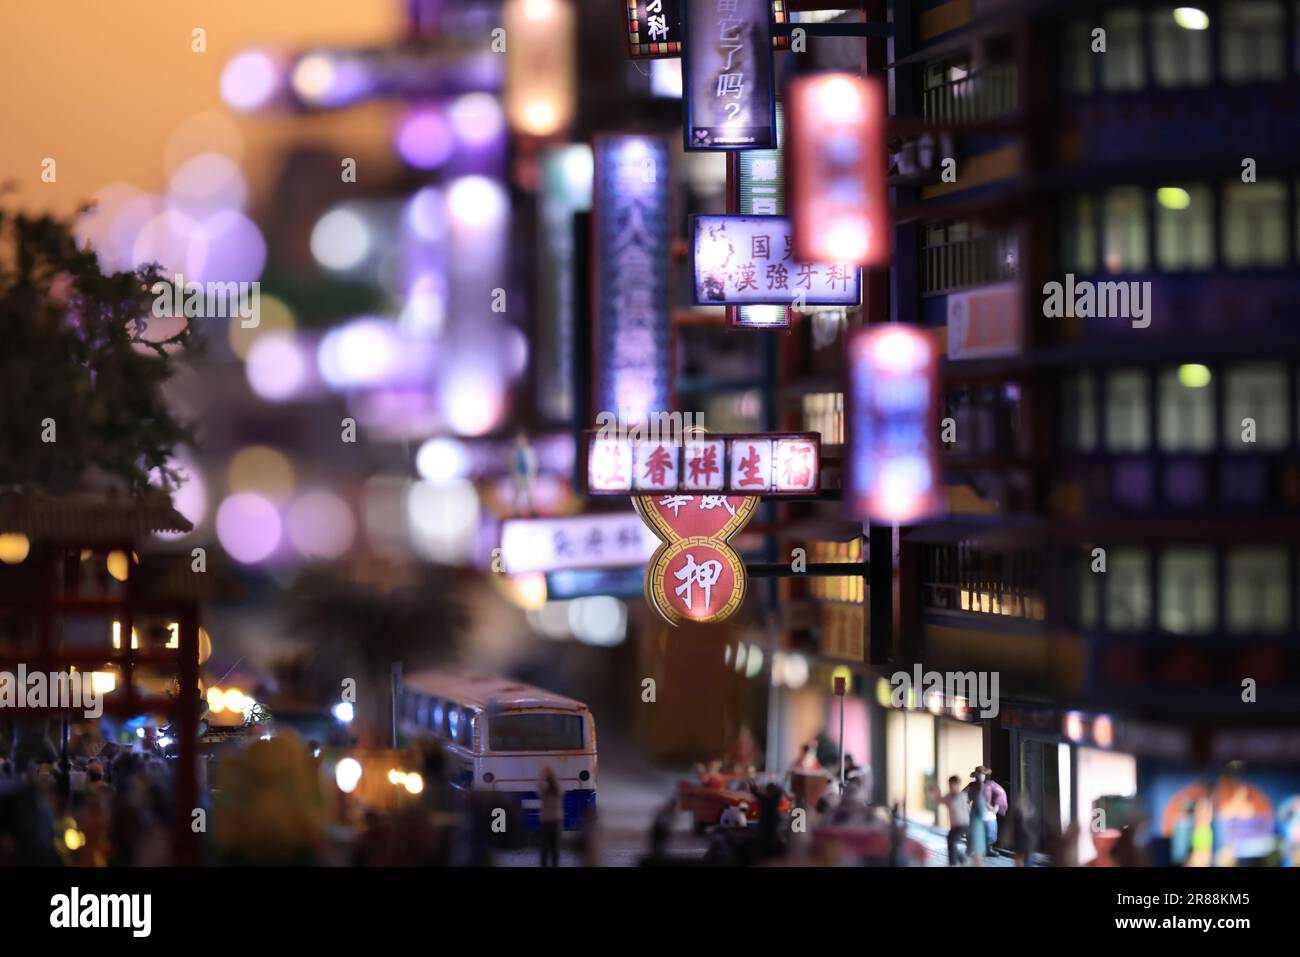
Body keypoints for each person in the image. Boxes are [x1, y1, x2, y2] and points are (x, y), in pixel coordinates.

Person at [928, 775, 971, 866]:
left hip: (963, 825)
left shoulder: (962, 796)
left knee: (951, 841)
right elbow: (938, 801)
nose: (951, 786)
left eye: (953, 785)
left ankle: (953, 863)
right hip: (955, 825)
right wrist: (935, 793)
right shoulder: (949, 796)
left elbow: (968, 809)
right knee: (950, 842)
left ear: (958, 785)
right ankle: (962, 859)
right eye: (950, 785)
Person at [964, 766, 1008, 855]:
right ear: (975, 775)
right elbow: (963, 796)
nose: (981, 776)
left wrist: (997, 806)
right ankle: (971, 848)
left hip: (988, 812)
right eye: (979, 774)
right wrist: (966, 806)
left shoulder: (990, 784)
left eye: (983, 774)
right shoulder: (971, 786)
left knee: (990, 831)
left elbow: (1001, 793)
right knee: (973, 831)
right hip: (975, 812)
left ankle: (989, 848)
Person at [538, 766, 562, 867]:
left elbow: (539, 785)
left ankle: (548, 864)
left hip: (547, 822)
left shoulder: (552, 793)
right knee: (552, 847)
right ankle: (553, 864)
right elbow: (539, 785)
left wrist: (548, 774)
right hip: (553, 822)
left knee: (547, 847)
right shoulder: (555, 793)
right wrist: (545, 775)